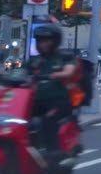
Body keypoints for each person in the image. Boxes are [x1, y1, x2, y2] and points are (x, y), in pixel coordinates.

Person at [27, 24, 77, 160]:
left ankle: (53, 152)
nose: (42, 44)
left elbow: (69, 71)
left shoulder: (64, 57)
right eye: (39, 40)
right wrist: (1, 77)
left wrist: (56, 75)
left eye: (46, 40)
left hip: (59, 101)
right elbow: (21, 73)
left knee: (48, 119)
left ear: (55, 41)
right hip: (35, 101)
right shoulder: (35, 61)